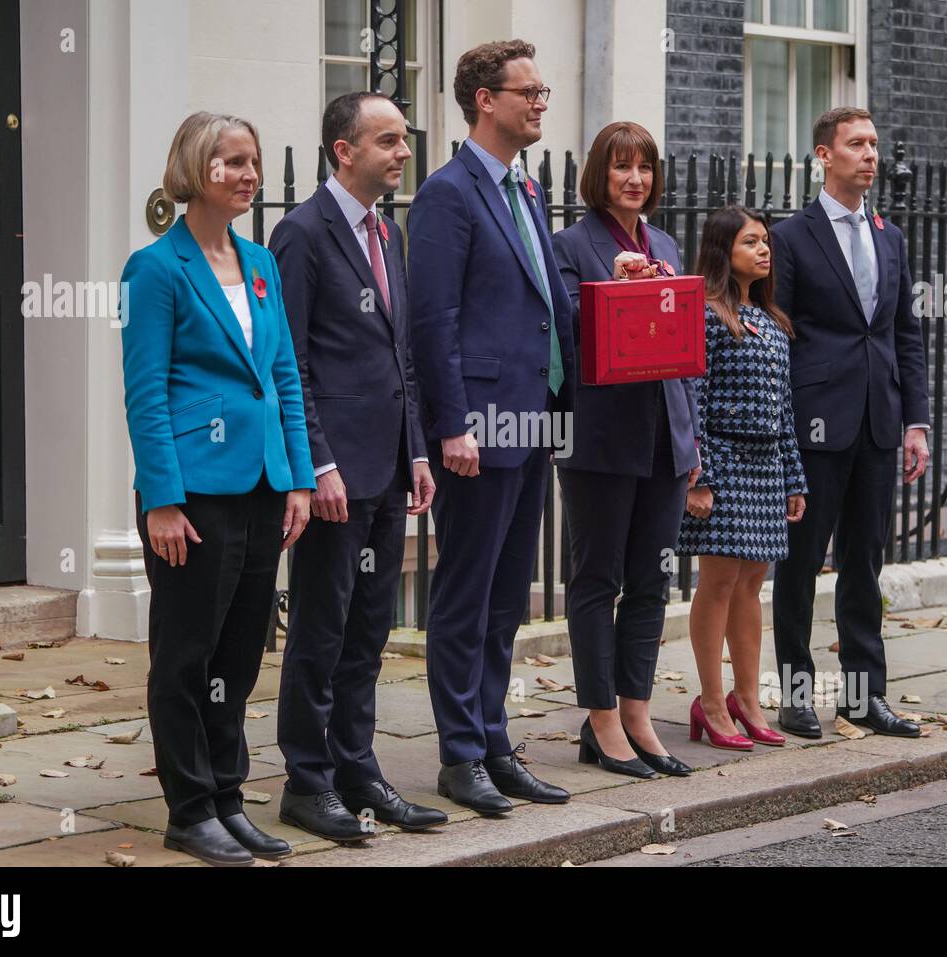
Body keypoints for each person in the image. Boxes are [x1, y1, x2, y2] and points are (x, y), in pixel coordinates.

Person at [120, 112, 315, 866]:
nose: (248, 174)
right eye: (232, 161)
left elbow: (285, 378)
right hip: (194, 493)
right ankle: (189, 806)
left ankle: (229, 797)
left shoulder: (261, 262)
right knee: (186, 652)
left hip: (265, 484)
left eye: (253, 161)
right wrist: (160, 498)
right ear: (197, 169)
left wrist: (298, 477)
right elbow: (145, 392)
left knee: (239, 652)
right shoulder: (155, 269)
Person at [268, 92, 446, 842]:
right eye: (388, 141)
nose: (402, 152)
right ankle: (306, 782)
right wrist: (320, 462)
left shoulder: (389, 233)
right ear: (344, 150)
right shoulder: (300, 234)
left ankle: (358, 769)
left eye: (403, 140)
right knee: (321, 627)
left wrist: (416, 449)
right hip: (337, 476)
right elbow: (293, 360)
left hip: (389, 469)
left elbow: (397, 353)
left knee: (370, 628)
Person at [407, 39, 576, 814]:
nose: (541, 101)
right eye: (528, 91)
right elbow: (433, 319)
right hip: (477, 428)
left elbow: (542, 303)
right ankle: (460, 755)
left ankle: (496, 741)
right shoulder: (449, 192)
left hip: (531, 421)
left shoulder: (526, 189)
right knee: (465, 595)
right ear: (485, 99)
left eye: (542, 91)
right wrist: (451, 426)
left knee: (508, 596)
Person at [770, 107, 931, 739]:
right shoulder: (790, 237)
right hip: (815, 422)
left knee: (865, 561)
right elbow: (778, 332)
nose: (870, 156)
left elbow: (904, 334)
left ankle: (865, 696)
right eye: (856, 145)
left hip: (879, 423)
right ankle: (796, 694)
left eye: (874, 145)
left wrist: (915, 421)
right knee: (802, 562)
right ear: (823, 155)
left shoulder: (889, 236)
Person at [552, 121, 699, 778]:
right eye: (621, 167)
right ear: (599, 175)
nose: (634, 178)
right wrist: (613, 286)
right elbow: (561, 339)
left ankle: (638, 711)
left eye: (643, 167)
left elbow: (680, 350)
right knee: (596, 579)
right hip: (601, 441)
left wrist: (691, 437)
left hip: (664, 439)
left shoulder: (665, 241)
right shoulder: (570, 245)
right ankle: (601, 718)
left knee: (651, 582)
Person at [679, 206, 806, 750]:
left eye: (766, 242)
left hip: (766, 467)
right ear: (721, 250)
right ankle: (710, 702)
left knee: (753, 582)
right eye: (750, 242)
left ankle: (747, 698)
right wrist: (696, 476)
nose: (764, 250)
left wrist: (793, 479)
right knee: (719, 581)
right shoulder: (705, 315)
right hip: (724, 465)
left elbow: (786, 411)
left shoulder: (774, 322)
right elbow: (694, 399)